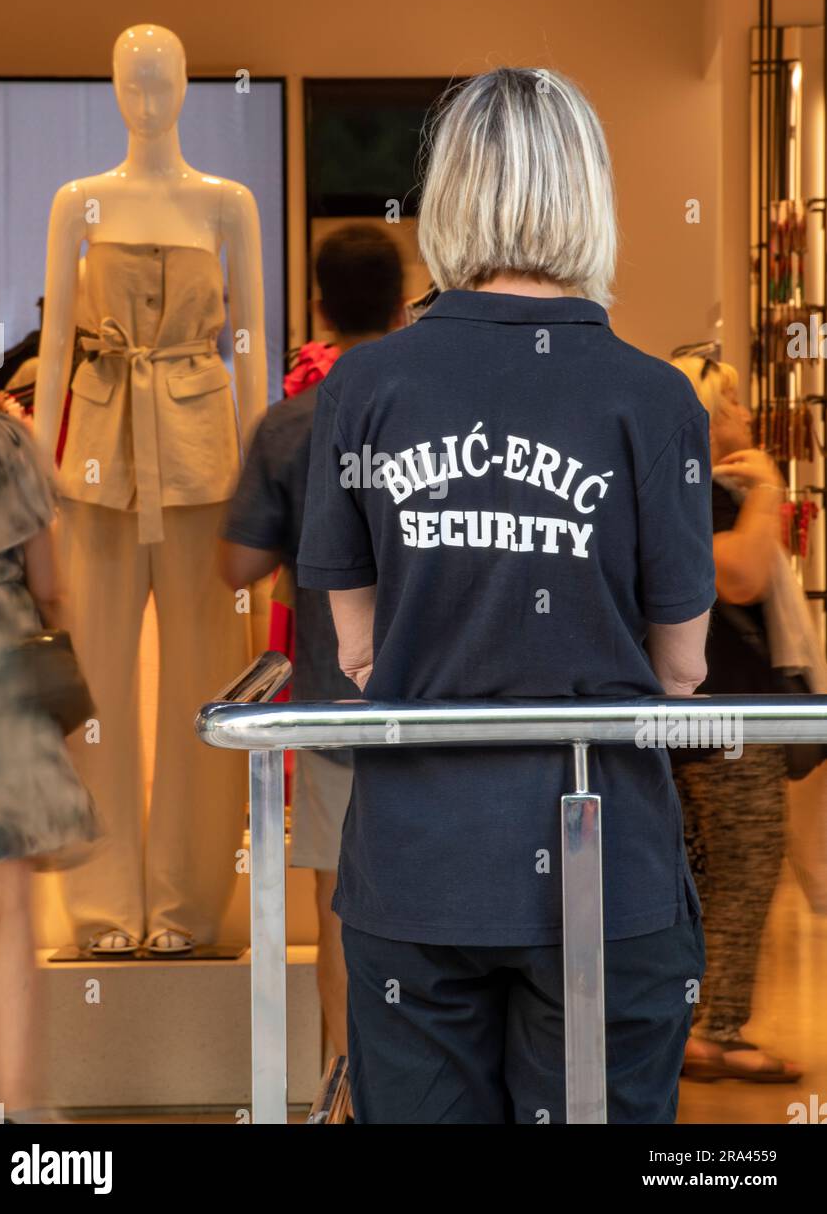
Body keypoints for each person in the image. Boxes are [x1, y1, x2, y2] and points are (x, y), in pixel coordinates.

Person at [297, 66, 717, 1125]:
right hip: (605, 872)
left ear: (449, 193)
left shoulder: (360, 388)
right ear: (586, 193)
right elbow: (681, 669)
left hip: (413, 870)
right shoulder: (653, 398)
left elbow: (355, 649)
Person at [219, 224, 405, 1058]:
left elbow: (236, 562)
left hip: (335, 704)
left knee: (340, 909)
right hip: (442, 698)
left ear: (320, 307)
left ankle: (344, 1083)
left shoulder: (289, 425)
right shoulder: (431, 410)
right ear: (404, 304)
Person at [0, 278, 100, 1122]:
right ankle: (21, 1109)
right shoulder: (5, 444)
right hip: (0, 687)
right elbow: (50, 586)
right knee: (11, 909)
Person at [671, 354, 809, 1083]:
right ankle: (714, 1028)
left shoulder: (694, 487)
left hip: (703, 711)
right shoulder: (704, 491)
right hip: (721, 715)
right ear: (707, 415)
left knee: (714, 869)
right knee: (746, 865)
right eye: (734, 406)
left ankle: (699, 1022)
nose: (749, 417)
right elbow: (743, 574)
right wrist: (770, 489)